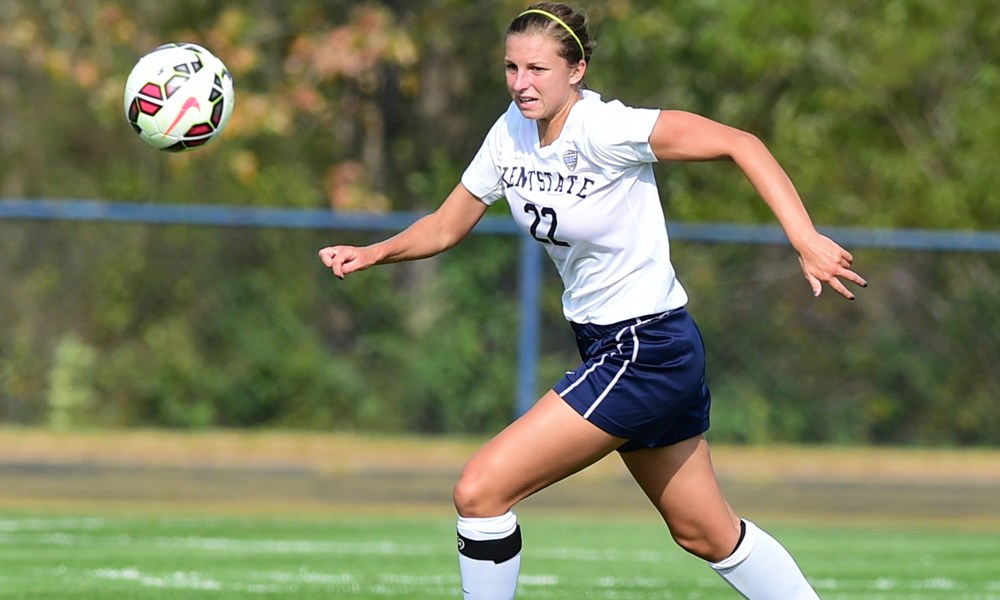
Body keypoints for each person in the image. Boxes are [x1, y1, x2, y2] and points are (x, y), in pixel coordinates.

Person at [319, 2, 867, 598]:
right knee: (707, 534)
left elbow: (742, 143)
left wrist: (805, 238)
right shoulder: (509, 131)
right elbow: (448, 225)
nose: (521, 83)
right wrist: (374, 252)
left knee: (480, 490)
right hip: (621, 346)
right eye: (511, 68)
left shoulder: (607, 129)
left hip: (644, 347)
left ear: (576, 70)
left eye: (537, 69)